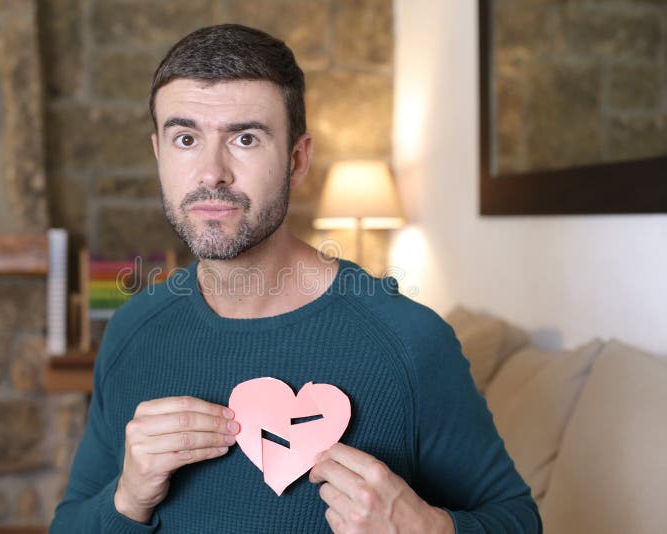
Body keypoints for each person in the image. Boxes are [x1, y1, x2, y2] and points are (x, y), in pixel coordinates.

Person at [50, 24, 541, 533]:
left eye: (245, 138)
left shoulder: (410, 342)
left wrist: (428, 528)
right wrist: (127, 497)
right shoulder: (132, 330)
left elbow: (518, 521)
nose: (211, 172)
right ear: (159, 153)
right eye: (186, 138)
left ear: (297, 159)